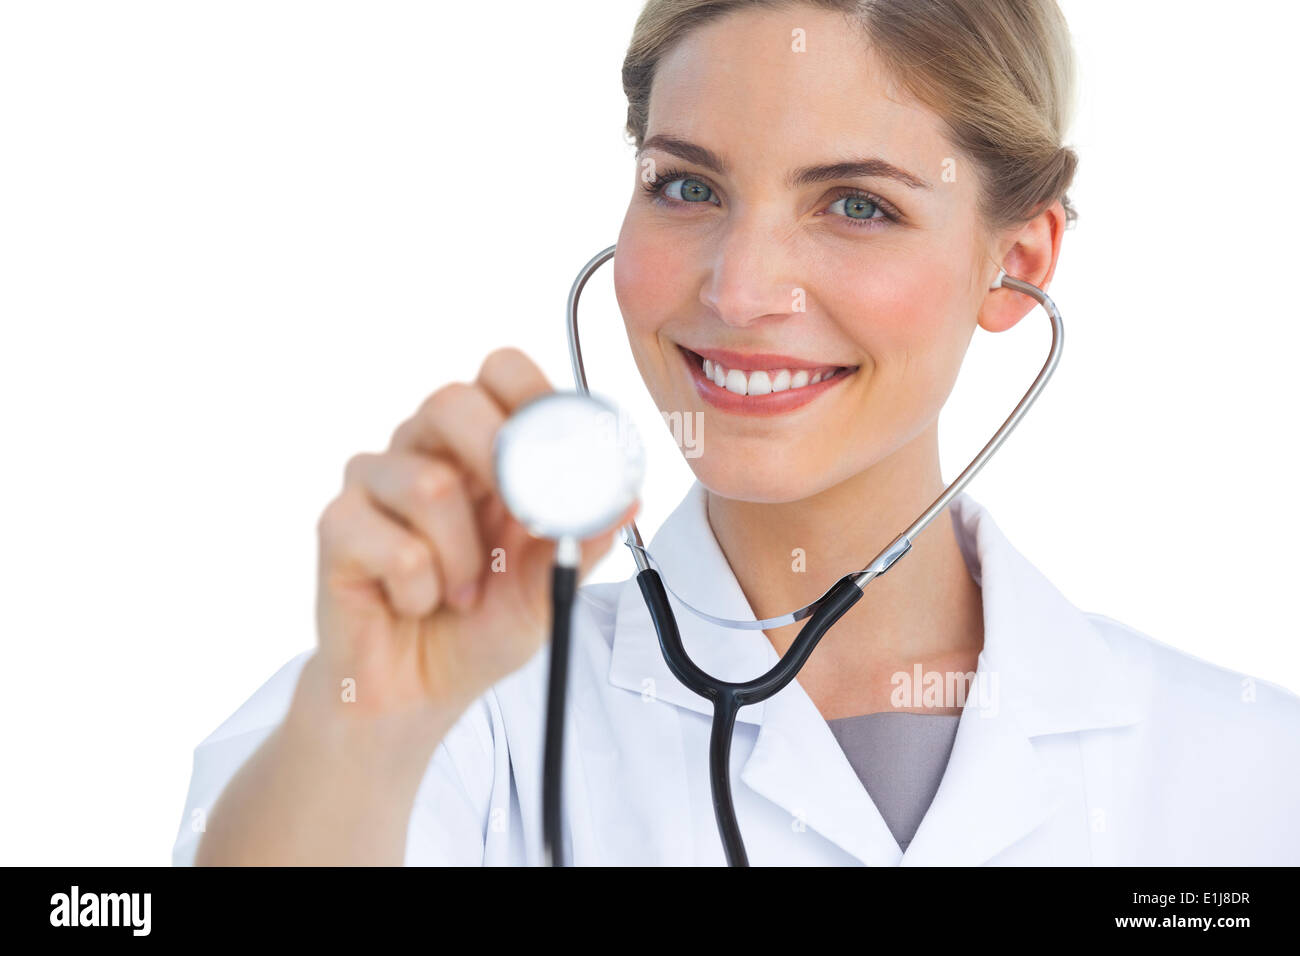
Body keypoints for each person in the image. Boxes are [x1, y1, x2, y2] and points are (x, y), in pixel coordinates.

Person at [174, 0, 1300, 866]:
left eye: (856, 203)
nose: (744, 286)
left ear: (1017, 260)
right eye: (687, 187)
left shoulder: (1248, 767)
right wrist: (369, 722)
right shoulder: (453, 714)